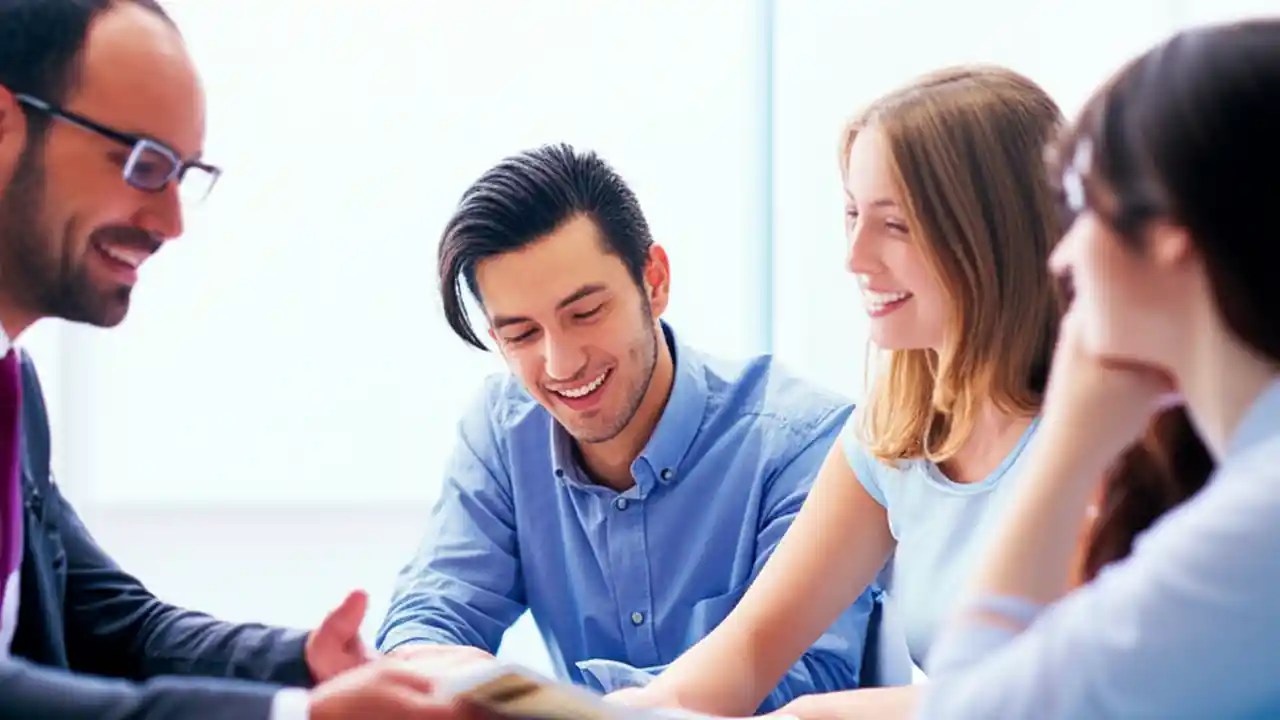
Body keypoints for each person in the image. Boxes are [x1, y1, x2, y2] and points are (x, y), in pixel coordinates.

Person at [0, 1, 452, 718]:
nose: (172, 222)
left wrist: (305, 668)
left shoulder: (12, 386)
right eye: (144, 163)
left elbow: (110, 621)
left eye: (184, 173)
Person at [610, 65, 1066, 719]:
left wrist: (808, 717)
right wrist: (624, 710)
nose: (855, 256)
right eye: (852, 213)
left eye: (896, 225)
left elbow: (1061, 692)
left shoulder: (1104, 435)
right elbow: (749, 650)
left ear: (993, 235)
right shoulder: (896, 434)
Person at [374, 142, 874, 712]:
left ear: (654, 281)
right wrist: (437, 668)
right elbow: (431, 614)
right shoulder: (503, 430)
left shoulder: (801, 441)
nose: (561, 364)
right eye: (520, 335)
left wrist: (590, 706)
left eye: (584, 313)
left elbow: (811, 680)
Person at [920, 18, 1280, 718]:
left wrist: (1067, 447)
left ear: (1173, 227)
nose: (1063, 257)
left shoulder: (1260, 523)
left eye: (1083, 207)